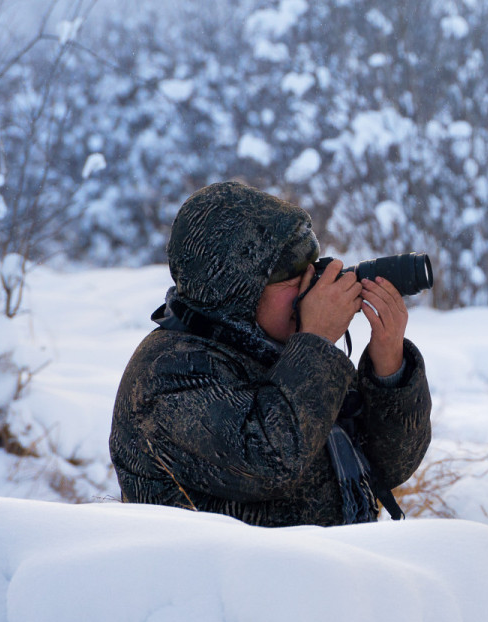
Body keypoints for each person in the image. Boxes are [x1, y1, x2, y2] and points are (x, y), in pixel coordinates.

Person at [110, 181, 431, 526]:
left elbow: (389, 466)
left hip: (325, 572)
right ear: (239, 291)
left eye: (314, 272)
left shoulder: (276, 351)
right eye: (293, 279)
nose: (311, 290)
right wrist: (317, 342)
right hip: (223, 578)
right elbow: (271, 462)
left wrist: (388, 369)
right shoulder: (168, 374)